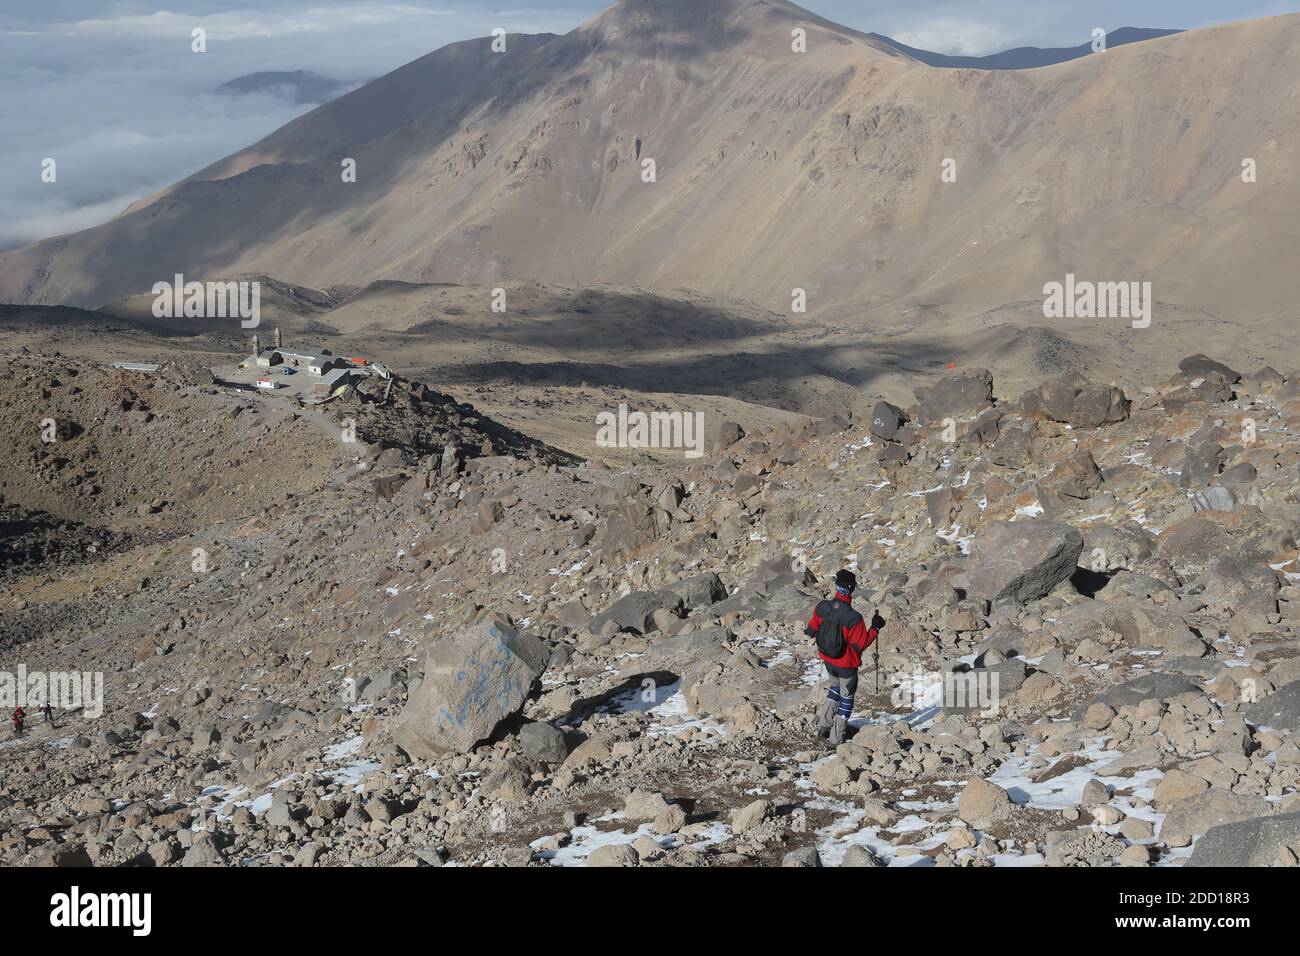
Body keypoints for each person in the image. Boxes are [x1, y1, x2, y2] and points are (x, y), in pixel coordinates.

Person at [805, 570, 881, 746]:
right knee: (846, 698)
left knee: (835, 688)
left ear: (836, 586)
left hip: (828, 661)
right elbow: (860, 644)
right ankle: (836, 738)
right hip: (846, 665)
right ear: (852, 589)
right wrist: (875, 629)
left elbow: (810, 630)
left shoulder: (822, 607)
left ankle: (824, 725)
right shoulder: (854, 618)